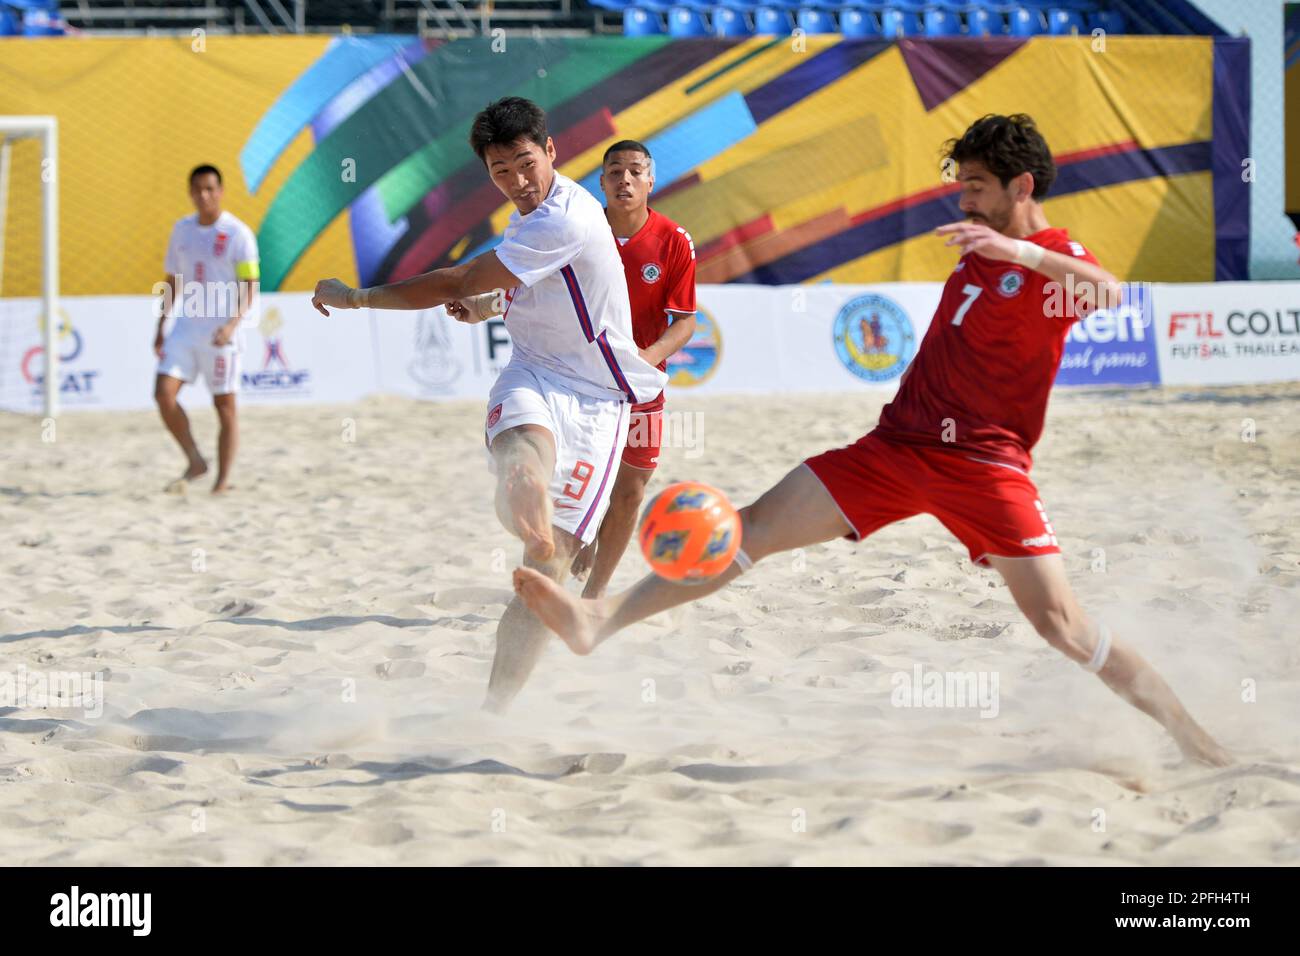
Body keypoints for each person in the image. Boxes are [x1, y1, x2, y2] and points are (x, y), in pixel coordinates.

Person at [511, 113, 1233, 767]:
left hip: (985, 468)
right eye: (962, 185)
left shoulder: (1049, 255)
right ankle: (597, 620)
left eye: (977, 186)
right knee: (748, 528)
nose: (964, 200)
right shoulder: (979, 246)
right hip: (896, 448)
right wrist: (992, 247)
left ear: (1021, 185)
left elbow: (1107, 292)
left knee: (1063, 626)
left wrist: (1024, 256)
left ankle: (1193, 740)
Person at [310, 97, 665, 712]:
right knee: (523, 445)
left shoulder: (568, 217)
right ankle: (525, 474)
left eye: (525, 164)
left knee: (544, 574)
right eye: (500, 171)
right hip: (533, 368)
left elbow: (452, 280)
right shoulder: (534, 219)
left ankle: (495, 708)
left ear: (551, 151)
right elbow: (533, 290)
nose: (516, 182)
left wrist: (357, 296)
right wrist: (490, 305)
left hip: (599, 399)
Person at [570, 140, 697, 598]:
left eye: (634, 171)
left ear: (650, 180)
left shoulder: (673, 241)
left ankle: (593, 597)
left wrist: (644, 360)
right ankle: (579, 539)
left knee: (631, 487)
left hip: (640, 386)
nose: (624, 179)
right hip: (583, 380)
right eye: (613, 172)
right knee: (578, 481)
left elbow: (685, 322)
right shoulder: (579, 233)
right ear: (601, 183)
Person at [154, 164, 259, 494]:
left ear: (221, 191)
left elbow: (250, 284)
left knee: (224, 406)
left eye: (210, 189)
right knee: (163, 394)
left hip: (220, 331)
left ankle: (222, 481)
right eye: (198, 189)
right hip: (186, 327)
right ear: (190, 192)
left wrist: (232, 324)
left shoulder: (237, 233)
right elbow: (173, 280)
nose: (204, 195)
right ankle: (195, 459)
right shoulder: (181, 230)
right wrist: (161, 324)